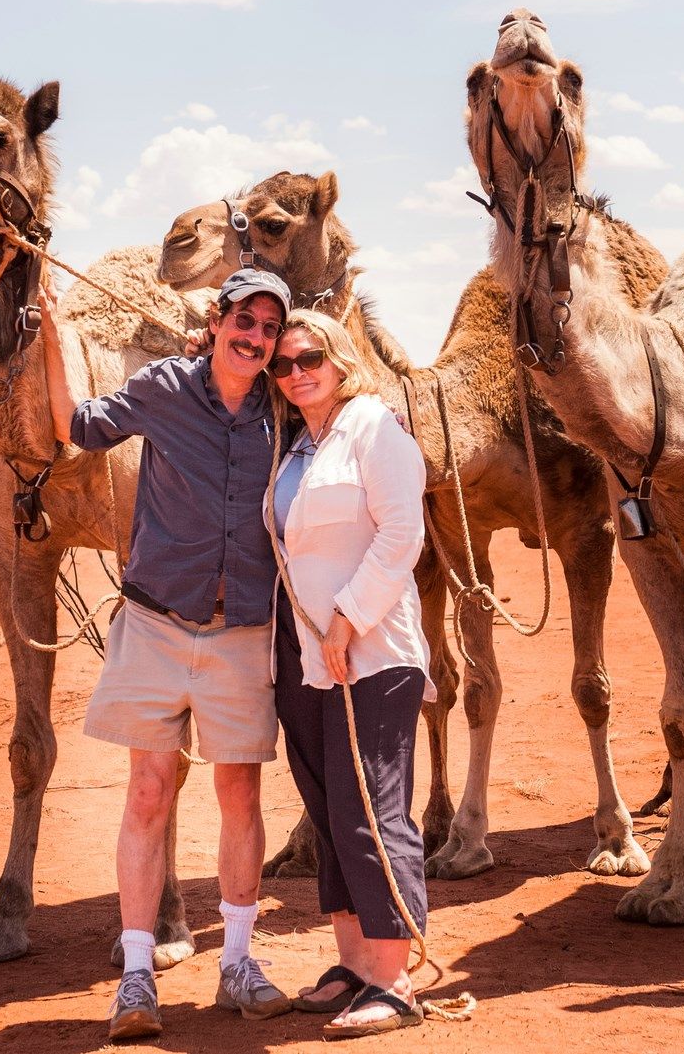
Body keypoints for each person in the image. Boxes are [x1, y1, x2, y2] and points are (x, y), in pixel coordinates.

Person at [39, 267, 296, 1043]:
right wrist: (52, 334)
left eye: (268, 328)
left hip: (243, 629)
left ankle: (240, 963)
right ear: (216, 321)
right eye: (242, 320)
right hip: (156, 623)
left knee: (239, 796)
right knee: (148, 792)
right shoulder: (162, 388)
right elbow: (76, 427)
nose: (253, 336)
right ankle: (137, 975)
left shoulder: (283, 407)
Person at [264, 308, 432, 1039]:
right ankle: (355, 962)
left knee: (373, 807)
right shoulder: (298, 446)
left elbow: (404, 531)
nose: (296, 372)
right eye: (283, 364)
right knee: (330, 808)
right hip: (305, 657)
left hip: (371, 648)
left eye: (309, 358)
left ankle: (395, 979)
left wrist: (348, 617)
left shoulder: (374, 428)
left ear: (338, 359)